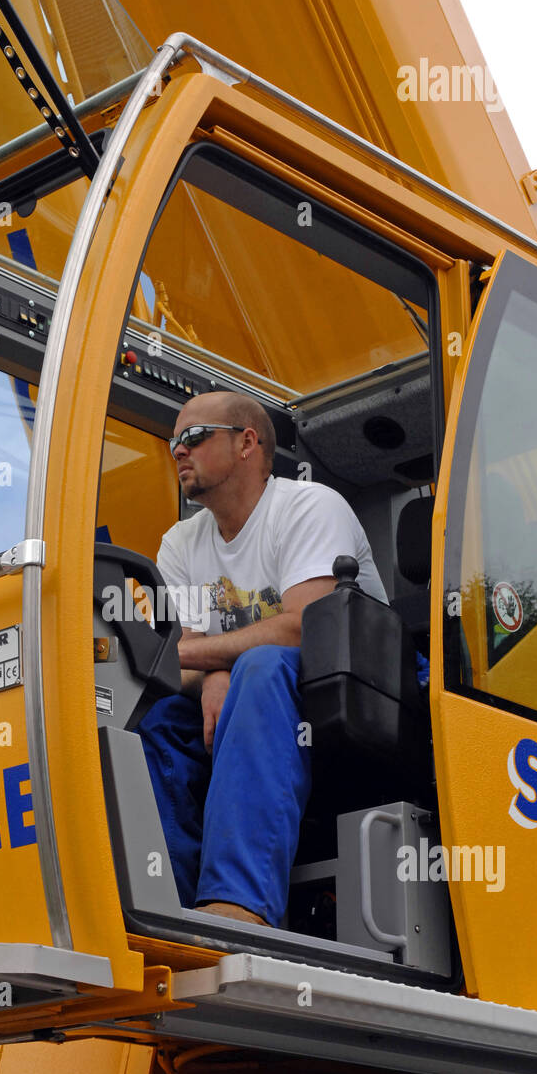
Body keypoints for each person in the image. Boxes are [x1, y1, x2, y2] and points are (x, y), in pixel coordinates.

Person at [136, 390, 387, 928]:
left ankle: (240, 904)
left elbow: (305, 626)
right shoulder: (180, 544)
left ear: (247, 442)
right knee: (159, 721)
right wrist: (212, 678)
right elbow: (179, 662)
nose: (177, 450)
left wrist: (213, 665)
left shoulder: (307, 506)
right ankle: (167, 908)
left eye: (193, 437)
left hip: (360, 691)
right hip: (255, 691)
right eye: (172, 442)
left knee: (263, 667)